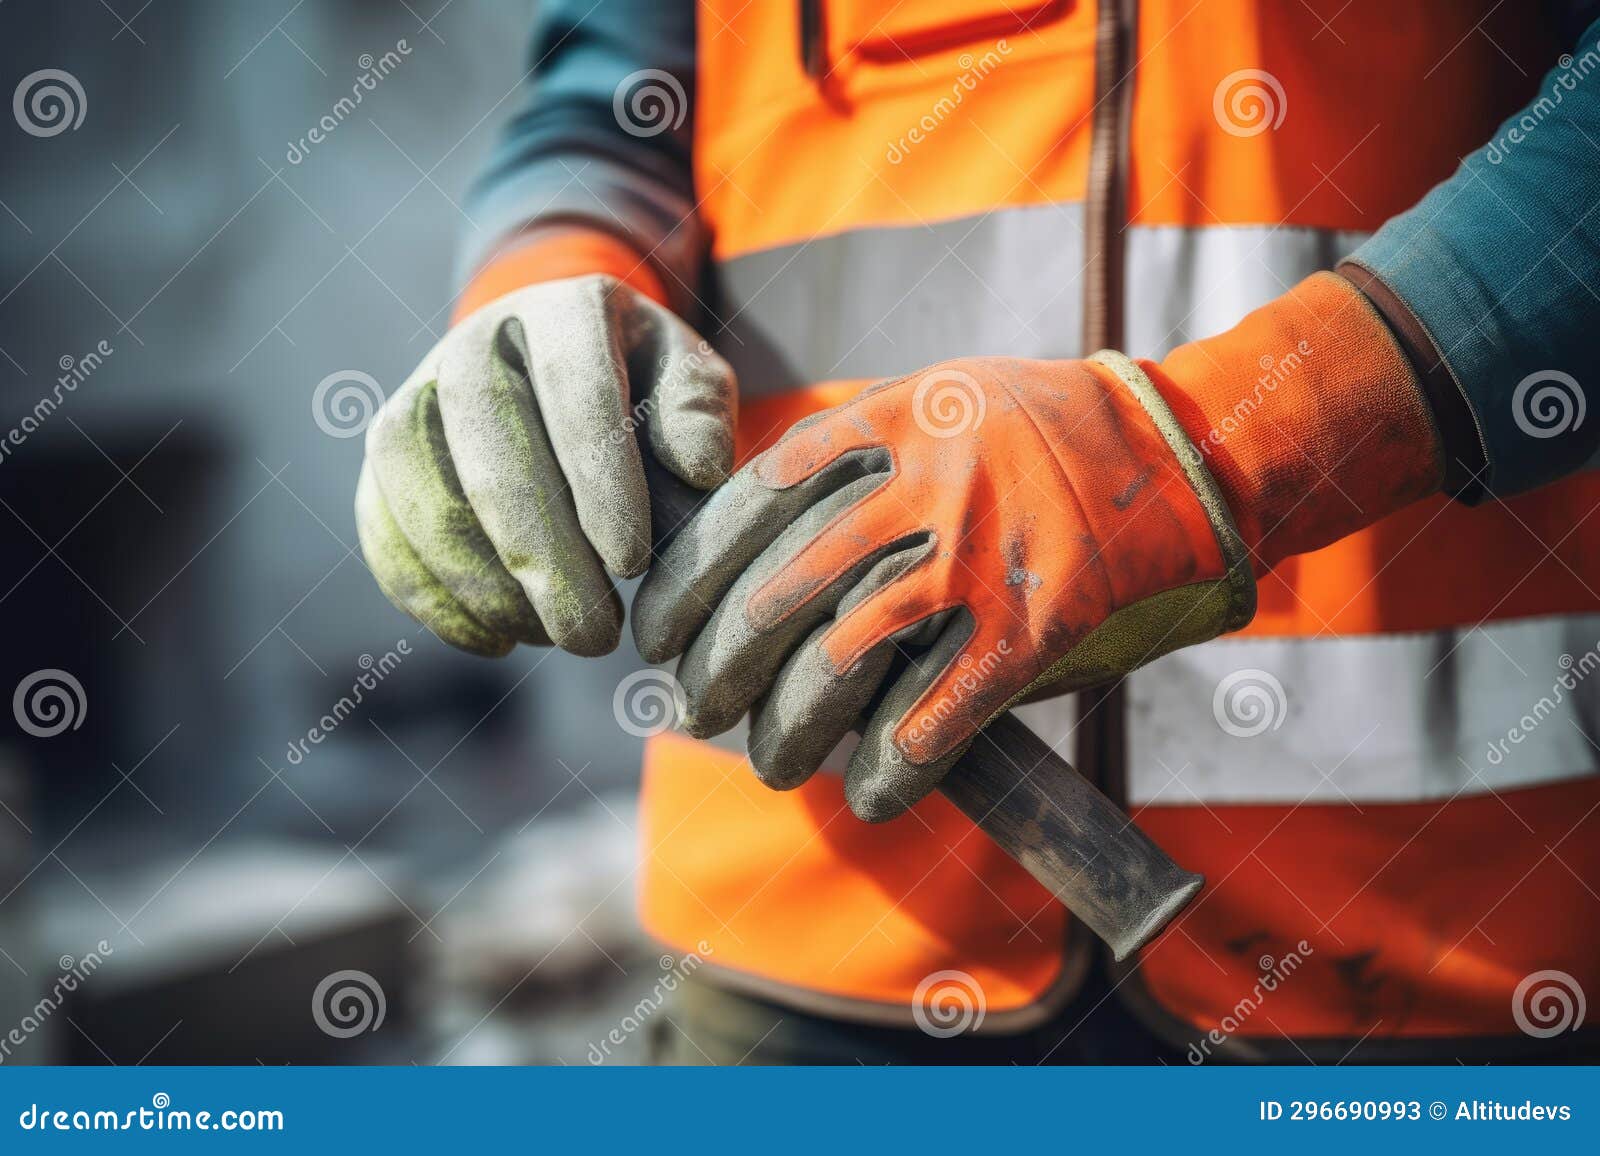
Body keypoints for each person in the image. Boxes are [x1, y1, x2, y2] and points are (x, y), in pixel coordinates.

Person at [356, 1, 1600, 1063]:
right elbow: (614, 93)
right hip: (814, 933)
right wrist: (540, 278)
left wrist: (1205, 451)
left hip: (1433, 943)